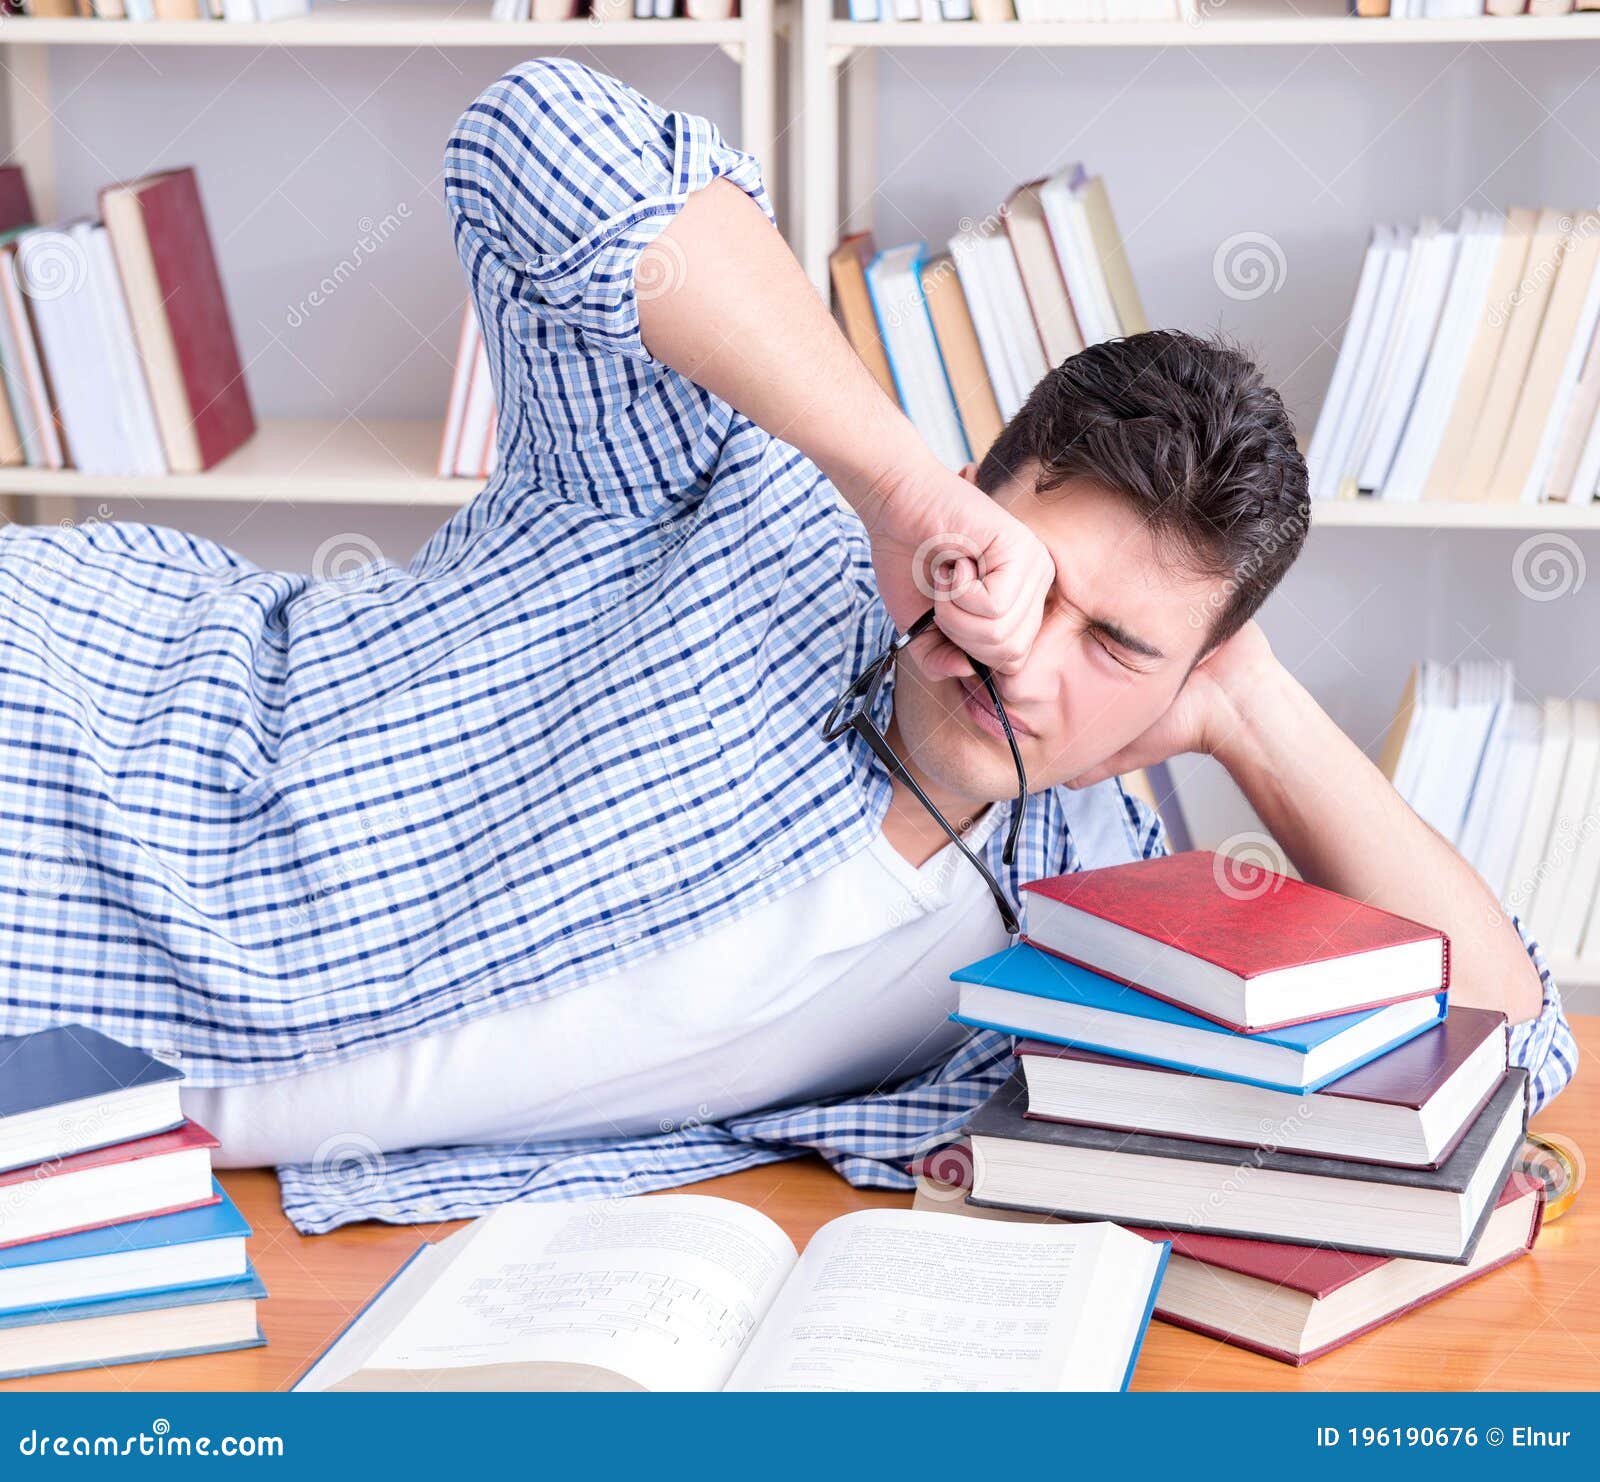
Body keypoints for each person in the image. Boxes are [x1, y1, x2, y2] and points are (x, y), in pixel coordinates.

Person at [0, 61, 1572, 1232]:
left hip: (116, 1145)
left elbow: (1513, 1051)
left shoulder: (1097, 897)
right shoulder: (729, 492)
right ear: (981, 484)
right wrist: (893, 482)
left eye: (1116, 644)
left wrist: (1254, 708)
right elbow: (539, 140)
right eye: (1028, 562)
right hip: (79, 770)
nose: (1022, 642)